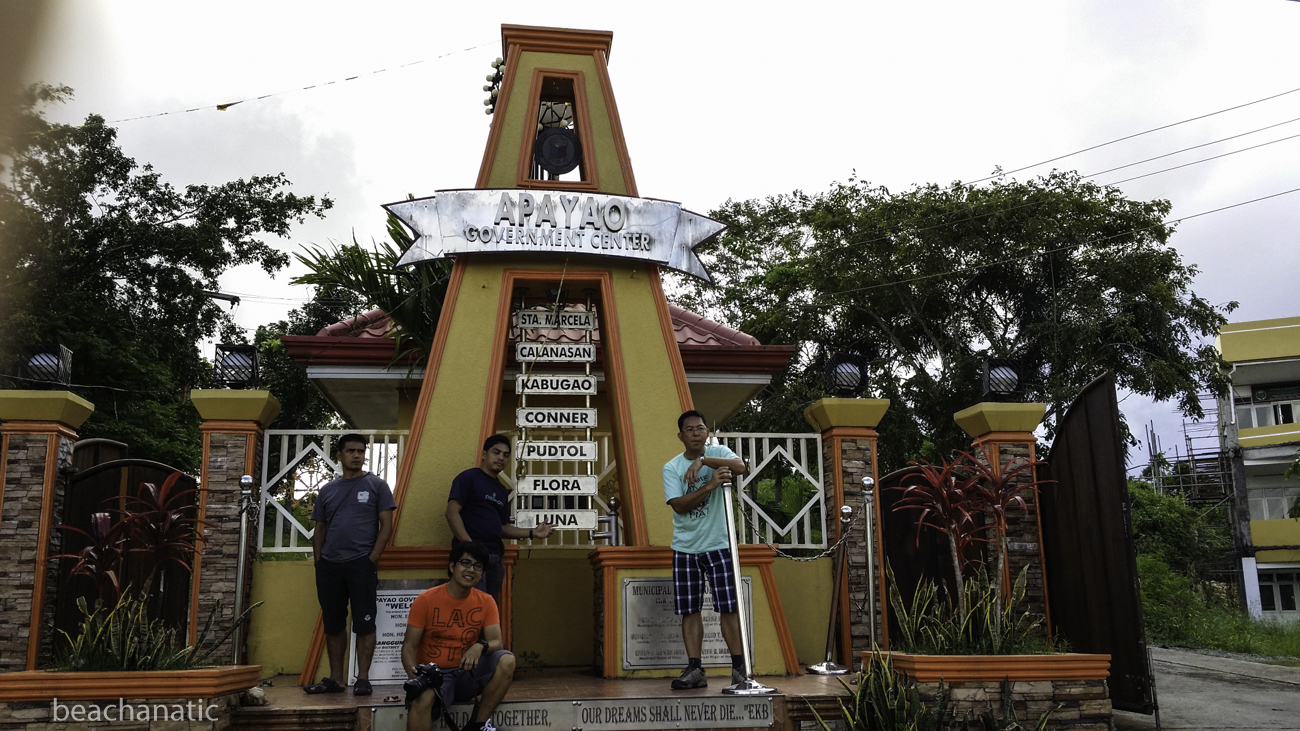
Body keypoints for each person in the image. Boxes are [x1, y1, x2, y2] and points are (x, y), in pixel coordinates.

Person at [663, 410, 749, 690]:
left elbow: (740, 467)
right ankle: (695, 669)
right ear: (680, 436)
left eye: (701, 427)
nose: (697, 432)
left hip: (720, 545)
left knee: (729, 608)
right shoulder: (671, 468)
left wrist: (704, 461)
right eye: (690, 429)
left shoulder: (718, 452)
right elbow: (679, 504)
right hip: (686, 548)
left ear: (707, 432)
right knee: (690, 610)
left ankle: (739, 669)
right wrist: (711, 484)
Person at [305, 433, 396, 696]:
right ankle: (335, 678)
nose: (356, 455)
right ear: (340, 455)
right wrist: (320, 562)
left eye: (360, 450)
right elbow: (319, 529)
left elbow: (386, 525)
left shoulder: (377, 485)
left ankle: (363, 678)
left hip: (361, 564)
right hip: (330, 565)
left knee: (365, 622)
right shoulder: (327, 490)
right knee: (333, 623)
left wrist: (372, 558)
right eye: (351, 451)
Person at [402, 541, 515, 731]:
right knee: (423, 698)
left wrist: (480, 646)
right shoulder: (426, 600)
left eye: (478, 566)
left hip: (467, 674)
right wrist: (415, 676)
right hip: (436, 676)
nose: (471, 570)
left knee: (507, 660)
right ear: (452, 566)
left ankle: (479, 725)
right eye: (465, 563)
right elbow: (408, 647)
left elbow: (497, 642)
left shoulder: (486, 601)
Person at [445, 434, 554, 604]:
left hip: (495, 559)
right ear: (484, 454)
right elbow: (452, 512)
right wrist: (469, 546)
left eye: (505, 455)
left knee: (488, 611)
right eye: (496, 452)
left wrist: (533, 532)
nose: (501, 458)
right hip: (471, 558)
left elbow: (503, 527)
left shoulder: (502, 490)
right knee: (471, 608)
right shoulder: (468, 478)